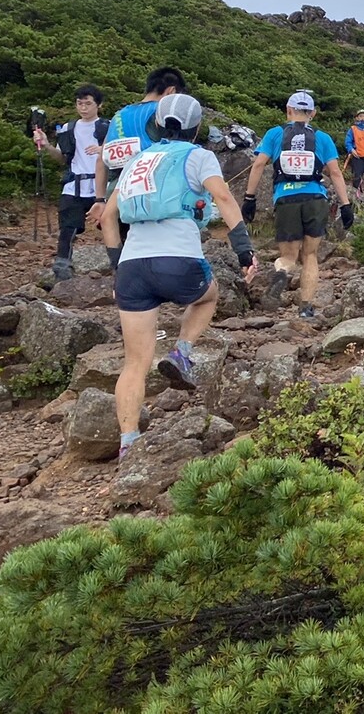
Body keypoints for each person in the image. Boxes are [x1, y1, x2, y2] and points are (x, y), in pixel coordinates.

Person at [100, 94, 256, 459]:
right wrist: (244, 251)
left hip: (132, 266)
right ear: (196, 128)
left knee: (134, 363)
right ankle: (182, 352)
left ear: (157, 125)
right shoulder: (198, 156)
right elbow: (223, 199)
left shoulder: (137, 159)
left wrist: (117, 268)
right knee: (208, 296)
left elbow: (107, 218)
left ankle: (128, 442)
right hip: (178, 258)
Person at [243, 91, 354, 320]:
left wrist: (249, 198)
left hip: (286, 198)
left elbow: (259, 165)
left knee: (289, 256)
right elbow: (335, 172)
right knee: (310, 254)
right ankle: (305, 308)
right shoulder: (322, 138)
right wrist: (345, 205)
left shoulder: (275, 134)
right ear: (313, 113)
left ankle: (282, 271)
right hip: (315, 199)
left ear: (288, 110)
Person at [88, 66, 188, 230]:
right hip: (152, 199)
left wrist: (100, 200)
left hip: (116, 198)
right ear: (171, 91)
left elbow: (101, 159)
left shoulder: (119, 115)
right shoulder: (161, 113)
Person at [33, 85, 109, 280]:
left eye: (88, 103)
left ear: (99, 105)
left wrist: (103, 150)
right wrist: (46, 145)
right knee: (67, 228)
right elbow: (62, 158)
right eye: (79, 103)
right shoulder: (68, 128)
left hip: (102, 186)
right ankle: (62, 267)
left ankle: (121, 263)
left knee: (111, 225)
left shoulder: (109, 127)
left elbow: (121, 155)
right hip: (73, 185)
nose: (83, 107)